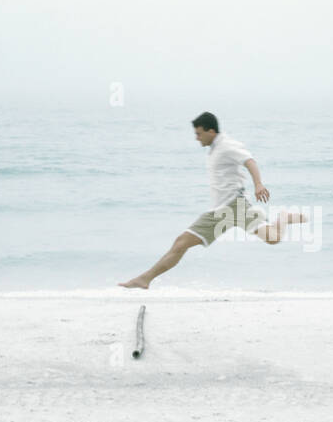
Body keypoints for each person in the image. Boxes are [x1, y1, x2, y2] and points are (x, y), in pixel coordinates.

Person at [118, 112, 307, 289]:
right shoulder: (215, 147)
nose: (196, 138)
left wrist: (258, 184)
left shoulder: (227, 146)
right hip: (229, 208)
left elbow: (250, 161)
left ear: (211, 131)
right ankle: (282, 218)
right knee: (272, 238)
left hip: (231, 207)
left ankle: (145, 279)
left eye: (199, 133)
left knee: (181, 242)